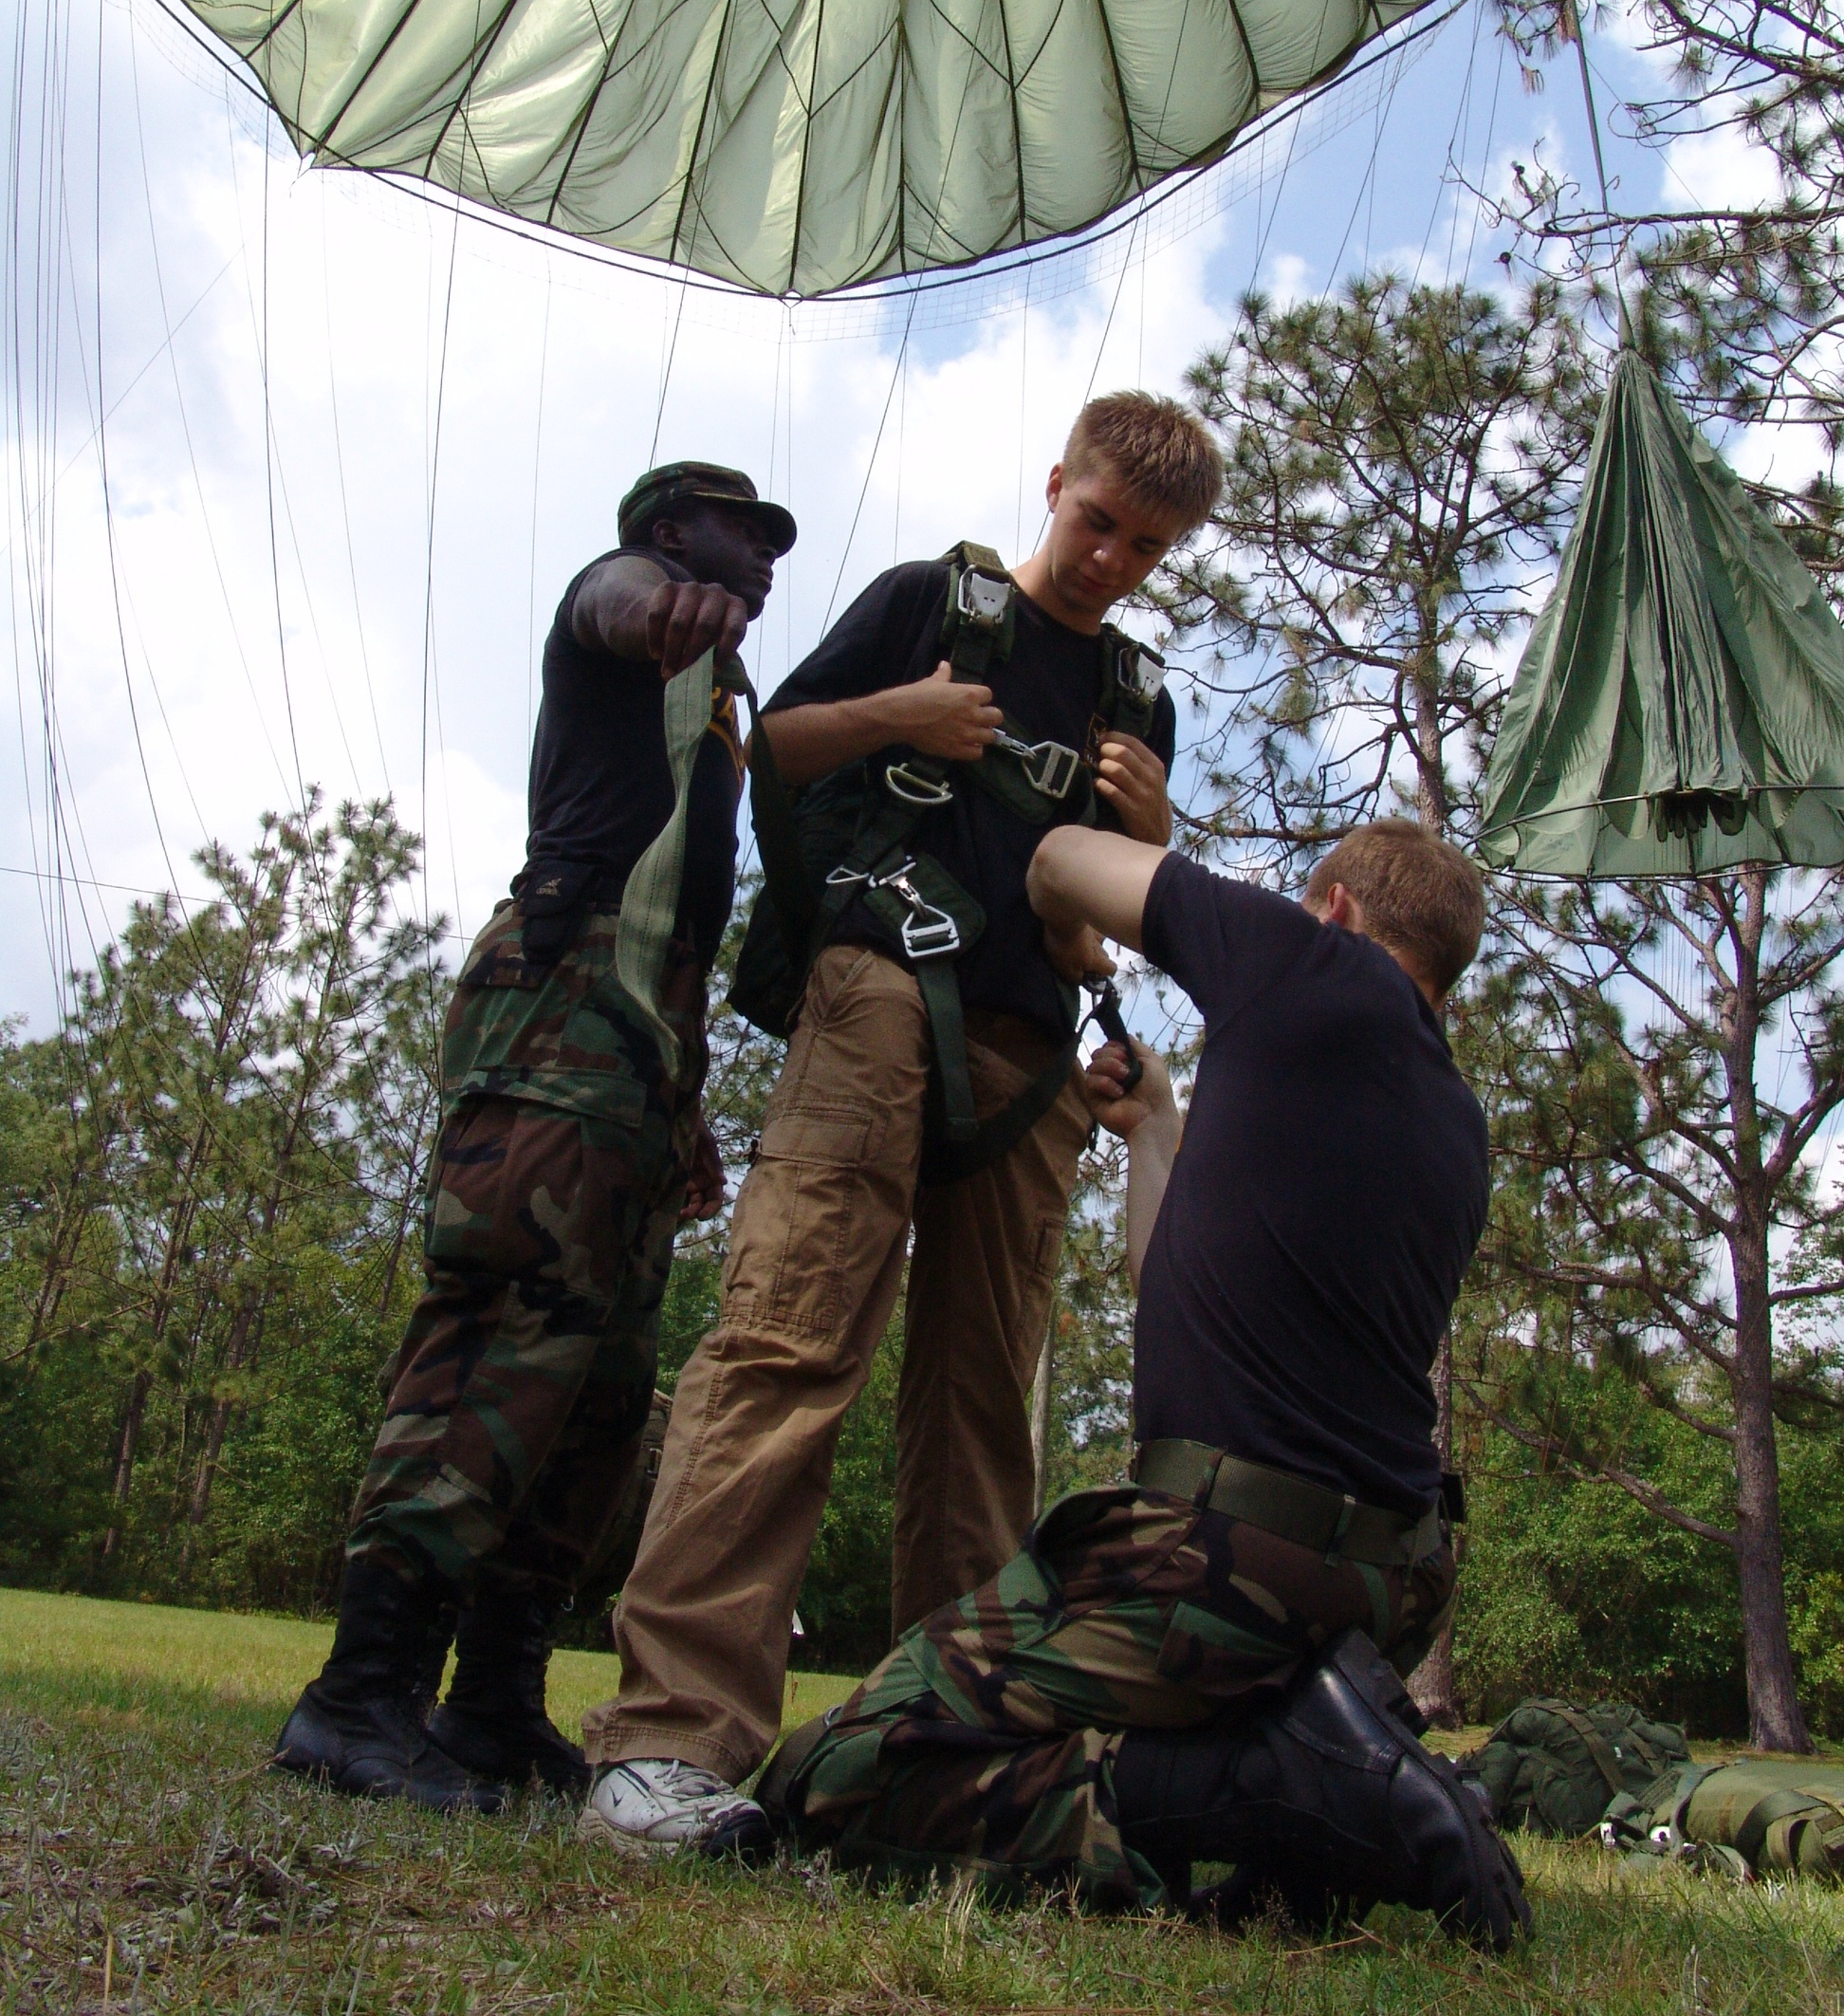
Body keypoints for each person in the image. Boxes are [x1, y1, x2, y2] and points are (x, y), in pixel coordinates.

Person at [578, 395, 1223, 1856]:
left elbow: (1089, 917)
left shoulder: (1139, 701)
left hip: (1031, 1061)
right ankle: (668, 1747)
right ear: (1056, 483)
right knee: (788, 1341)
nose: (1113, 558)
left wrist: (1153, 842)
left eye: (1148, 545)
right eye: (1098, 520)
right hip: (875, 999)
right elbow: (783, 745)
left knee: (985, 1405)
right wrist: (908, 716)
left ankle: (943, 1758)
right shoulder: (931, 601)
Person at [756, 819, 1533, 1949]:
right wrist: (1158, 1127)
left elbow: (1057, 853)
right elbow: (1174, 1296)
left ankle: (1283, 1789)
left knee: (833, 1774)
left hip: (1227, 1565)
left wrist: (1071, 939)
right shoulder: (1452, 1123)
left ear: (1337, 910)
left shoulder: (1311, 962)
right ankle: (1314, 1798)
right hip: (1383, 1581)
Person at [273, 462, 795, 1814]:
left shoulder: (718, 705)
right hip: (555, 1015)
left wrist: (680, 1102)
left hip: (637, 1052)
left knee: (603, 1393)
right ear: (672, 531)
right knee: (502, 1339)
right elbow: (612, 606)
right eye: (744, 538)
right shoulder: (623, 602)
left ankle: (489, 1711)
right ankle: (357, 1696)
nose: (765, 564)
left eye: (772, 552)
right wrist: (666, 607)